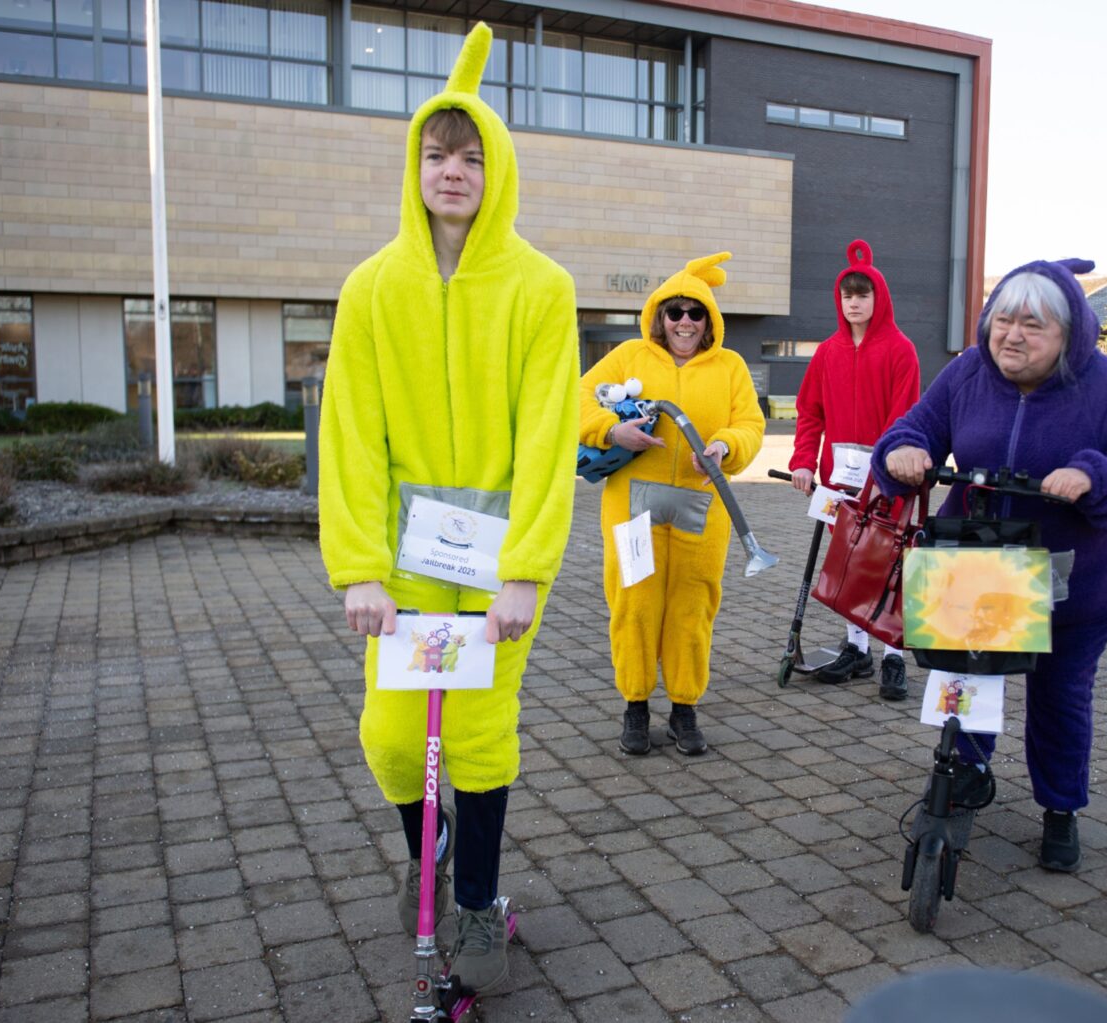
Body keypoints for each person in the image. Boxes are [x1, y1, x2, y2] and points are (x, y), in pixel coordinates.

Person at [317, 23, 578, 996]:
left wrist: (525, 570)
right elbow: (350, 434)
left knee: (474, 730)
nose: (453, 171)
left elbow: (550, 437)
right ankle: (425, 859)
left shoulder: (542, 290)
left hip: (500, 565)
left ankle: (476, 900)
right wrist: (358, 568)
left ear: (497, 168)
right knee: (392, 734)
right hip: (405, 558)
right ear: (414, 166)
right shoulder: (370, 289)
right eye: (437, 154)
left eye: (472, 156)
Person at [872, 257, 1107, 873]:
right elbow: (916, 429)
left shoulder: (1106, 386)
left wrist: (1096, 474)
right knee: (970, 685)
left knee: (1060, 698)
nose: (1013, 335)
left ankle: (1060, 809)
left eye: (1033, 325)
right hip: (977, 576)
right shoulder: (966, 375)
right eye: (1003, 320)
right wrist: (903, 452)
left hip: (1076, 587)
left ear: (1069, 334)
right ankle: (965, 780)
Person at [579, 252, 765, 758]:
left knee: (691, 607)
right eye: (674, 311)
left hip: (701, 505)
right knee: (635, 605)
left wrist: (726, 445)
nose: (684, 321)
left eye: (695, 312)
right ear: (659, 316)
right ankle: (635, 704)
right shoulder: (629, 356)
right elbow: (575, 398)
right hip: (633, 507)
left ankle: (685, 707)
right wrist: (611, 430)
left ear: (710, 320)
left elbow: (750, 423)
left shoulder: (730, 366)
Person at [789, 239, 921, 698]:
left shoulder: (901, 351)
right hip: (838, 481)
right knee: (846, 560)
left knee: (888, 566)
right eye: (848, 296)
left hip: (888, 481)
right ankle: (857, 647)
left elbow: (904, 418)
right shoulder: (827, 353)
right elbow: (810, 413)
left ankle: (892, 657)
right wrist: (805, 461)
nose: (855, 303)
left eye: (863, 295)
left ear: (877, 298)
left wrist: (885, 475)